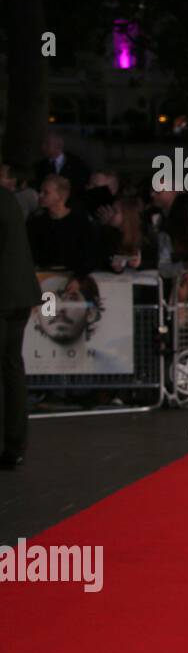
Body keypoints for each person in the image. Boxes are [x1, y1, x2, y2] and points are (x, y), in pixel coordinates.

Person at [1, 177, 41, 469]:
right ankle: (14, 444)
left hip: (4, 297)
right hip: (18, 294)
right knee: (12, 368)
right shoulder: (8, 200)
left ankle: (9, 444)